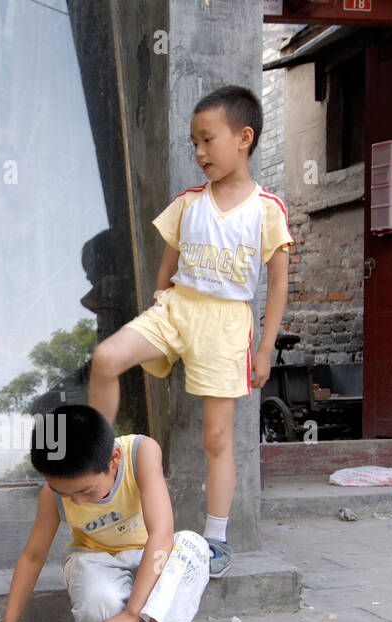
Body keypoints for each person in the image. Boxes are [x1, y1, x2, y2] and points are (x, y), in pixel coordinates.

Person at [87, 85, 292, 576]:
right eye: (193, 143)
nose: (199, 152)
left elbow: (279, 284)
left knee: (216, 436)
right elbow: (167, 266)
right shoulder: (187, 203)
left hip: (227, 324)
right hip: (176, 309)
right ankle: (96, 459)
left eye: (208, 140)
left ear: (244, 138)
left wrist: (264, 348)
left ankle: (216, 538)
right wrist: (160, 305)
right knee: (107, 359)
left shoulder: (267, 209)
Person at [0, 405, 210, 622]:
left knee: (193, 548)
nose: (77, 501)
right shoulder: (53, 493)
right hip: (96, 559)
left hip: (149, 556)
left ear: (113, 460)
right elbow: (33, 556)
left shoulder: (140, 453)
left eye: (85, 490)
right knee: (99, 599)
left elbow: (161, 533)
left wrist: (133, 614)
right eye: (65, 494)